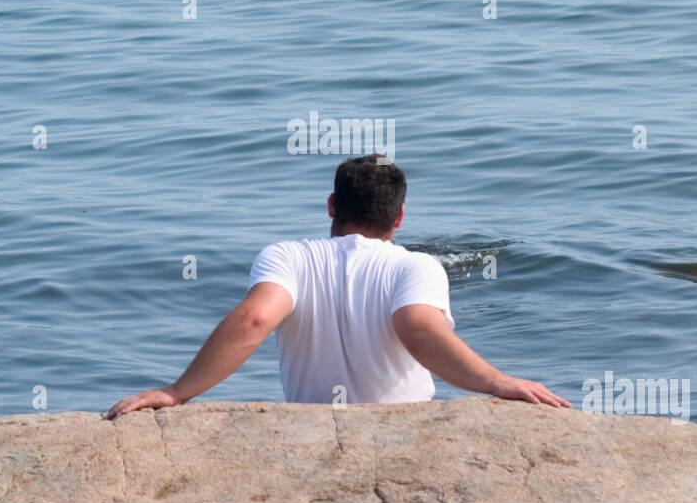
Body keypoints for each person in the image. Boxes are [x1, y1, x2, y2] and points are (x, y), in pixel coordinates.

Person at [105, 154, 571, 418]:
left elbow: (254, 318)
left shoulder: (286, 256)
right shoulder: (418, 266)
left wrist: (177, 392)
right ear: (399, 217)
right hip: (406, 427)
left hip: (313, 427)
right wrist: (497, 382)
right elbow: (420, 330)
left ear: (331, 205)